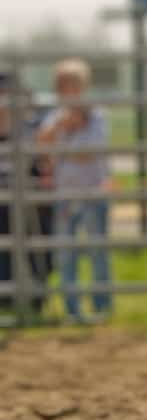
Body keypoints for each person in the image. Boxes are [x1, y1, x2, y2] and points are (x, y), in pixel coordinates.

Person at [35, 59, 112, 322]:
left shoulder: (97, 115)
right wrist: (62, 128)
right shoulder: (57, 116)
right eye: (61, 84)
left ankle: (101, 308)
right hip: (65, 194)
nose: (65, 89)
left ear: (82, 86)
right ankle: (72, 309)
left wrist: (60, 146)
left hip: (92, 192)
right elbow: (41, 145)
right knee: (66, 255)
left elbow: (89, 152)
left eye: (70, 83)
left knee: (97, 253)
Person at [0, 73, 56, 318]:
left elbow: (45, 161)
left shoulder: (35, 124)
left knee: (39, 246)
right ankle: (7, 297)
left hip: (32, 197)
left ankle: (37, 297)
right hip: (4, 199)